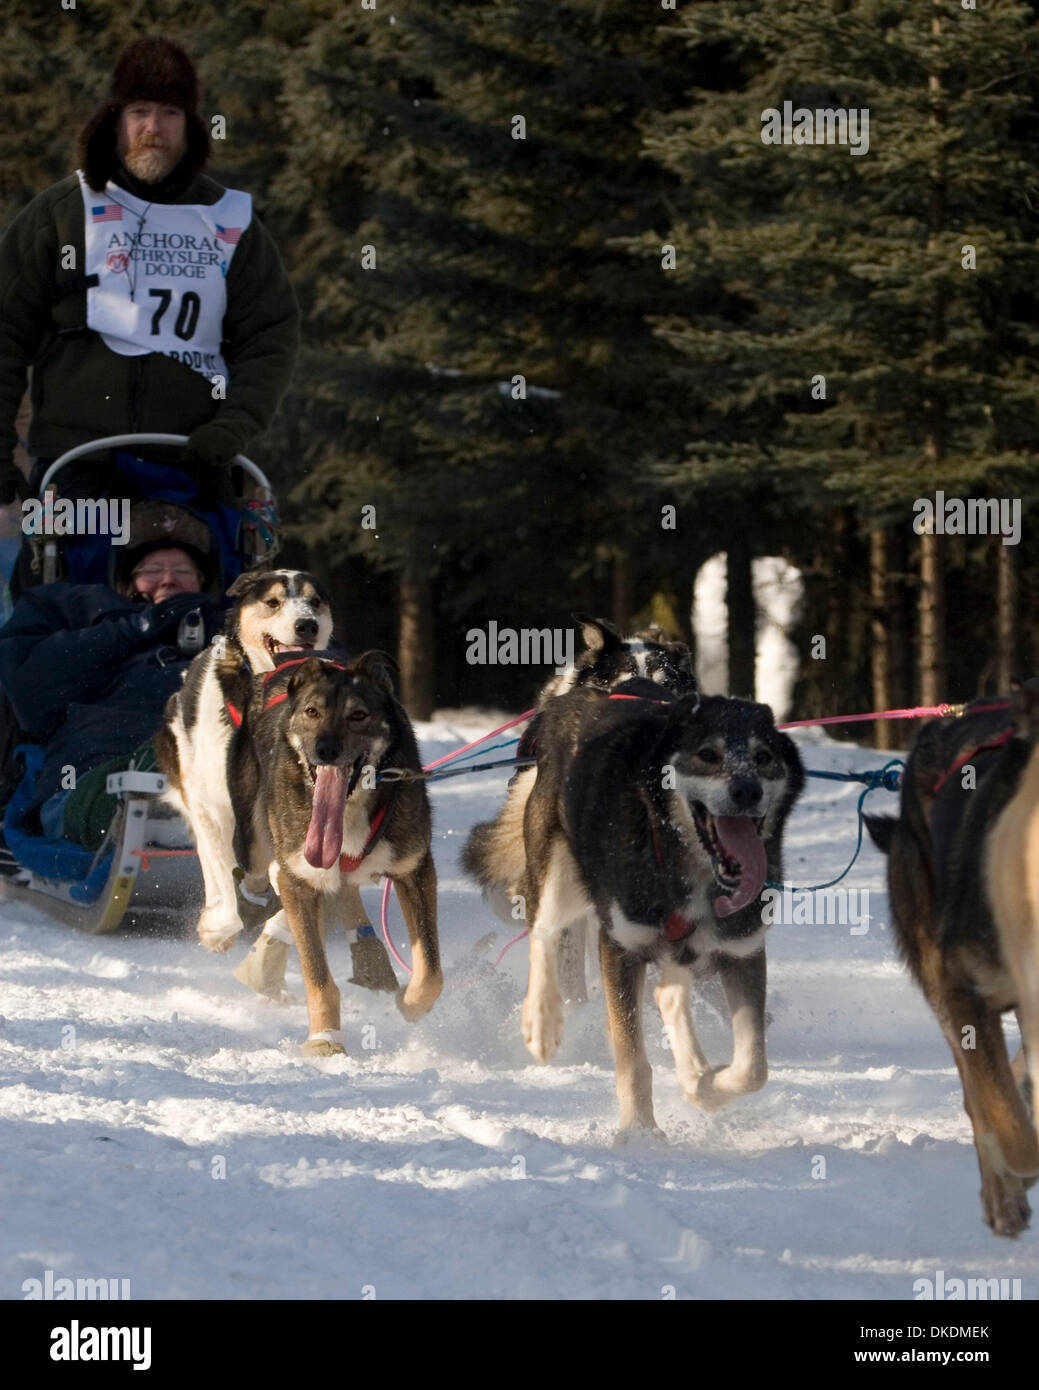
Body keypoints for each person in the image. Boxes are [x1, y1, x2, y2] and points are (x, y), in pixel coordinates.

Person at [0, 36, 299, 590]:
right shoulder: (62, 215)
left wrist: (237, 423)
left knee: (206, 615)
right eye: (139, 112)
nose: (152, 129)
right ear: (114, 121)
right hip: (78, 467)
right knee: (63, 611)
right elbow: (6, 331)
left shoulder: (228, 221)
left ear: (190, 126)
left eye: (169, 114)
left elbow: (271, 335)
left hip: (194, 464)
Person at [0, 501, 224, 848]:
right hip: (95, 769)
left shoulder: (240, 622)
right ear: (126, 581)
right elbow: (31, 695)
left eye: (182, 570)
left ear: (203, 582)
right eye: (152, 569)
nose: (167, 579)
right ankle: (162, 811)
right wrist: (133, 628)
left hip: (220, 763)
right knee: (134, 778)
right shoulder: (79, 607)